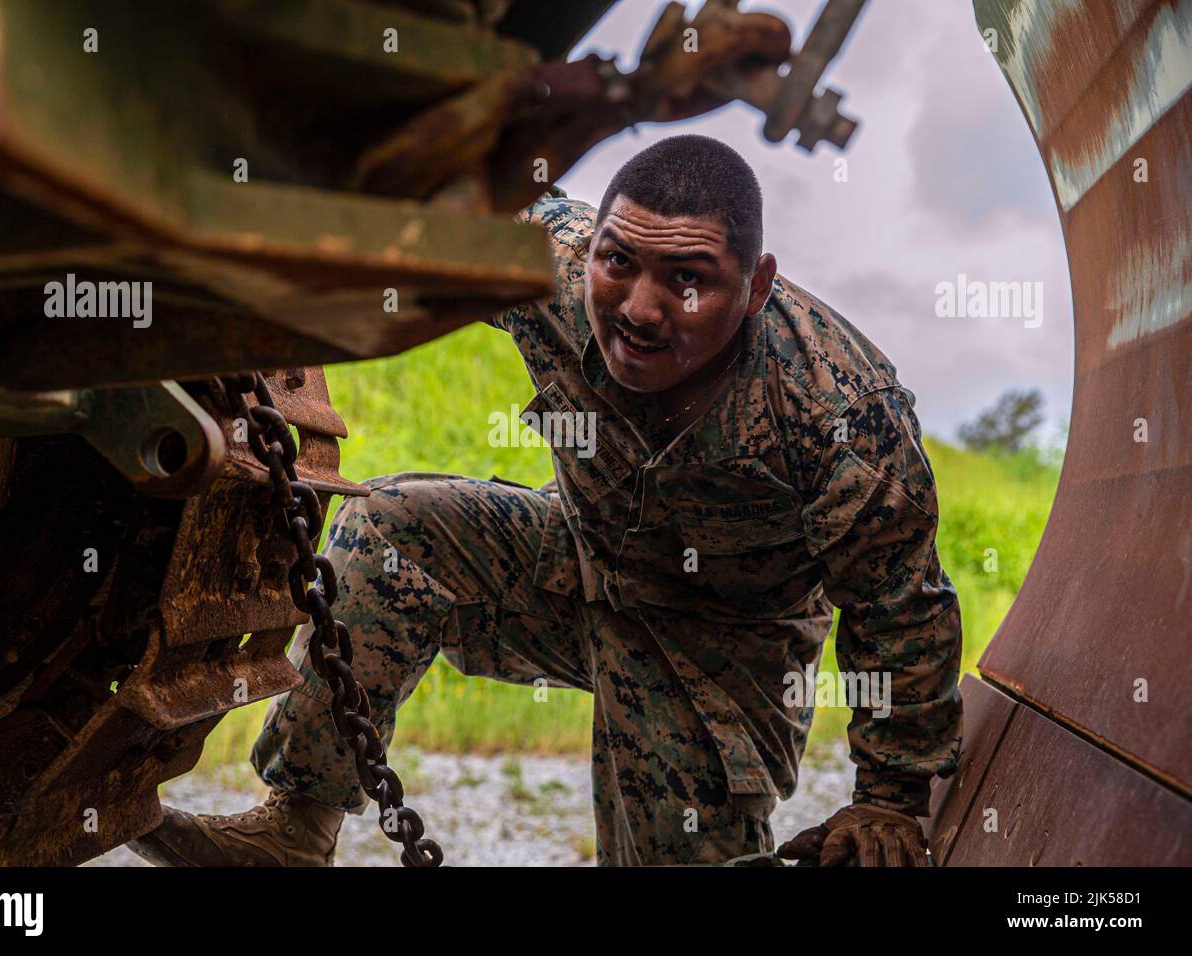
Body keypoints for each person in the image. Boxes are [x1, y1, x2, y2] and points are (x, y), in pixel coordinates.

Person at [128, 134, 961, 867]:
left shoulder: (839, 410)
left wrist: (889, 796)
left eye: (688, 279)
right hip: (577, 562)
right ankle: (293, 836)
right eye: (619, 262)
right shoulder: (553, 265)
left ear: (755, 285)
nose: (639, 308)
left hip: (726, 646)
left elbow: (901, 607)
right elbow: (445, 194)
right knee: (392, 528)